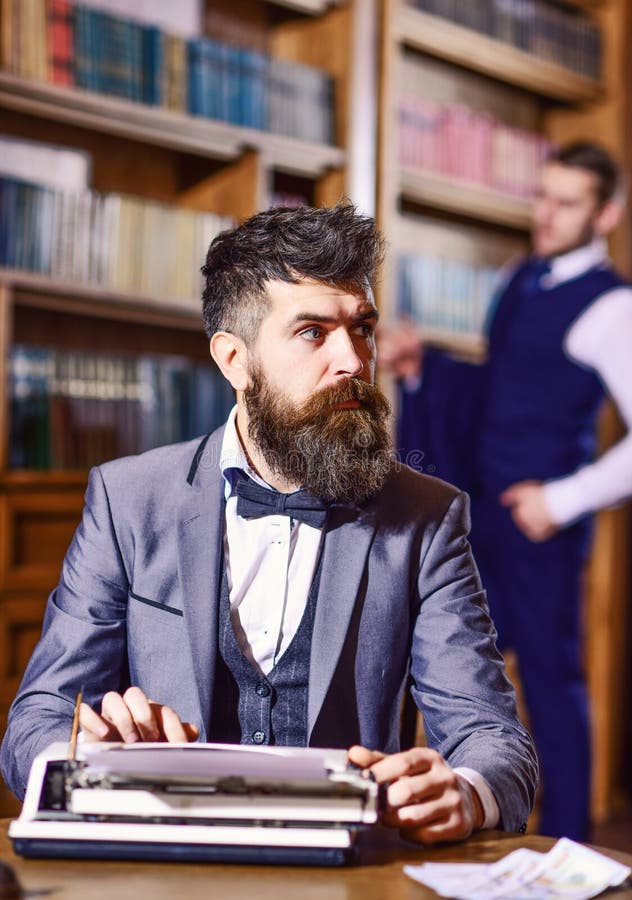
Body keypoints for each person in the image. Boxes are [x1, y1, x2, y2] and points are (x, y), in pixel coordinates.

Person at [0, 203, 537, 844]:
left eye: (361, 328)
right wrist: (82, 750)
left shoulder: (427, 517)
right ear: (234, 361)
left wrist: (466, 792)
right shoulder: (127, 499)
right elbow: (38, 718)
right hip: (161, 871)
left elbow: (494, 739)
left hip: (350, 880)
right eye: (314, 332)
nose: (354, 361)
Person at [379, 142, 632, 841]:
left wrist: (563, 500)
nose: (545, 214)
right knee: (451, 664)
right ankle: (455, 825)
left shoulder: (614, 308)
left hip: (539, 527)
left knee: (551, 687)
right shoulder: (523, 278)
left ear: (606, 212)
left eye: (567, 202)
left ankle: (573, 848)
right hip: (481, 512)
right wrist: (422, 364)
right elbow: (495, 385)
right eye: (541, 196)